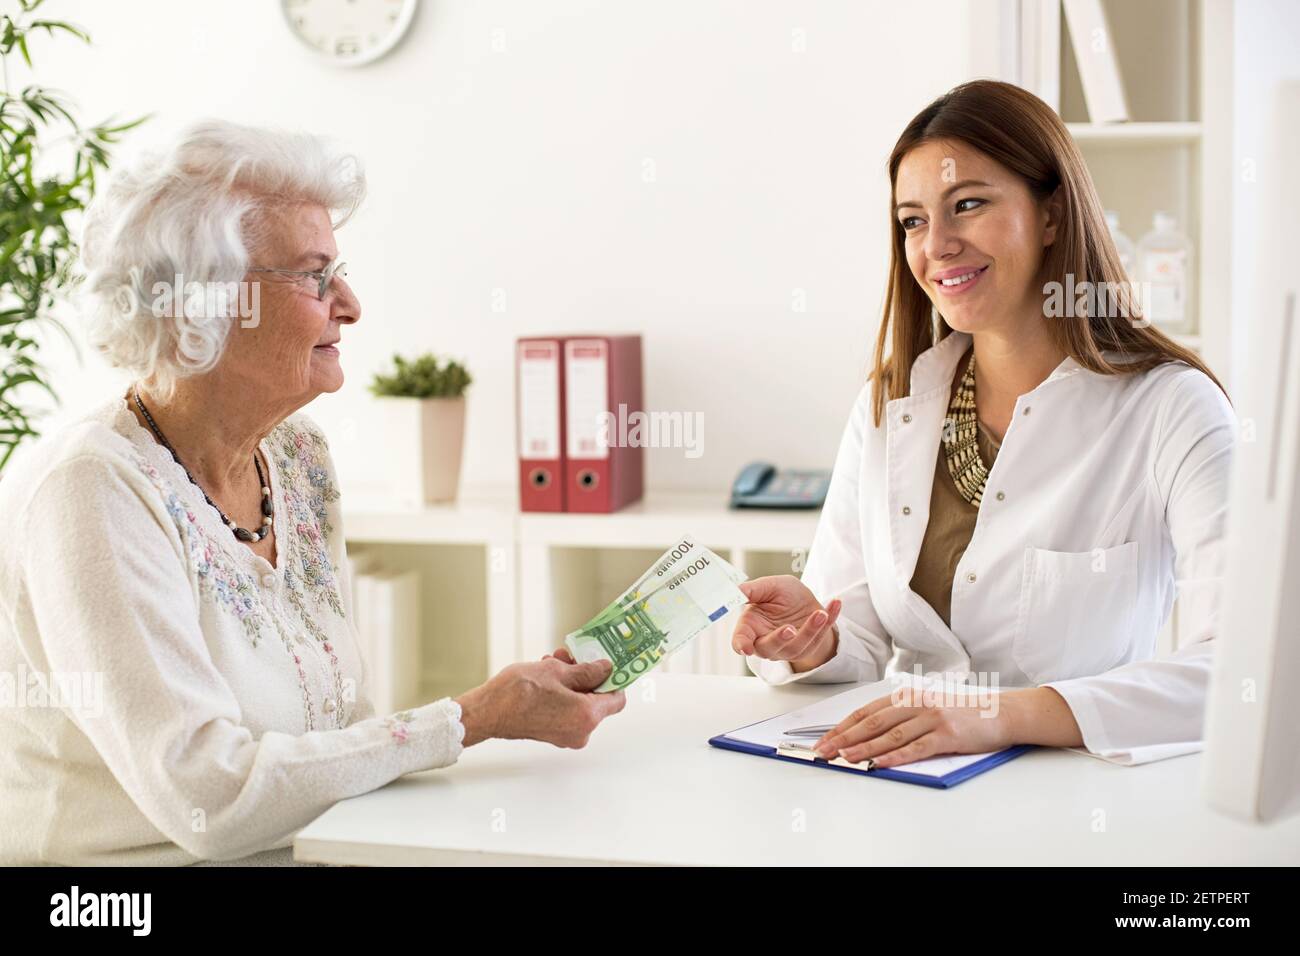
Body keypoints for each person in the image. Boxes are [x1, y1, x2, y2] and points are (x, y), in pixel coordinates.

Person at [0, 120, 624, 866]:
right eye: (315, 276)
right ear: (205, 302)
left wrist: (488, 724)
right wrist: (474, 716)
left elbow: (341, 732)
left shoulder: (297, 458)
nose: (351, 304)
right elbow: (212, 800)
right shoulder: (91, 493)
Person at [730, 80, 1235, 770]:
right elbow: (861, 642)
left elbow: (1244, 670)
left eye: (967, 204)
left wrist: (998, 715)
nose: (936, 245)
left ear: (1051, 215)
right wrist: (810, 640)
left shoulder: (1172, 408)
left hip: (1075, 799)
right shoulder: (891, 402)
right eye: (912, 221)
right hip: (904, 787)